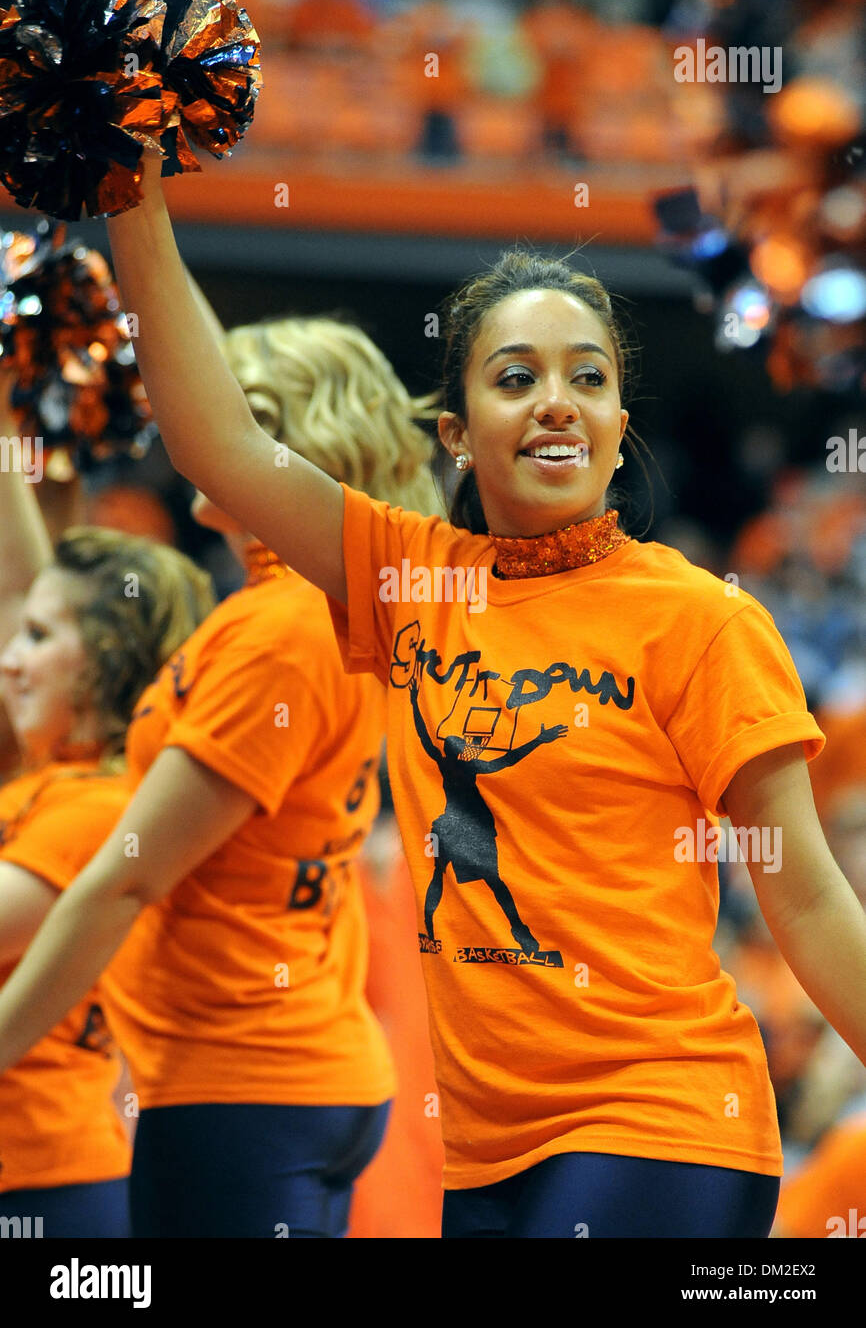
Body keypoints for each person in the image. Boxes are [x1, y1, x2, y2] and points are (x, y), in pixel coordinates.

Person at [4, 152, 866, 1239]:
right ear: (453, 431)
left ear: (615, 422)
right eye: (514, 376)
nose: (555, 403)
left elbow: (807, 897)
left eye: (587, 377)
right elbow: (216, 444)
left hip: (658, 1122)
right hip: (480, 1154)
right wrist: (129, 185)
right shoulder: (410, 584)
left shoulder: (700, 619)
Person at [0, 305, 443, 1238]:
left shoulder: (283, 629)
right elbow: (56, 619)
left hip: (243, 1078)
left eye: (227, 414)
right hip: (270, 1072)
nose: (188, 430)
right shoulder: (305, 603)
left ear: (282, 440)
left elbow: (127, 876)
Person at [0, 363, 214, 1235]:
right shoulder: (45, 771)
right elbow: (23, 584)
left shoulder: (98, 808)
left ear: (103, 668)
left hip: (50, 1188)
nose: (9, 654)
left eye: (39, 639)